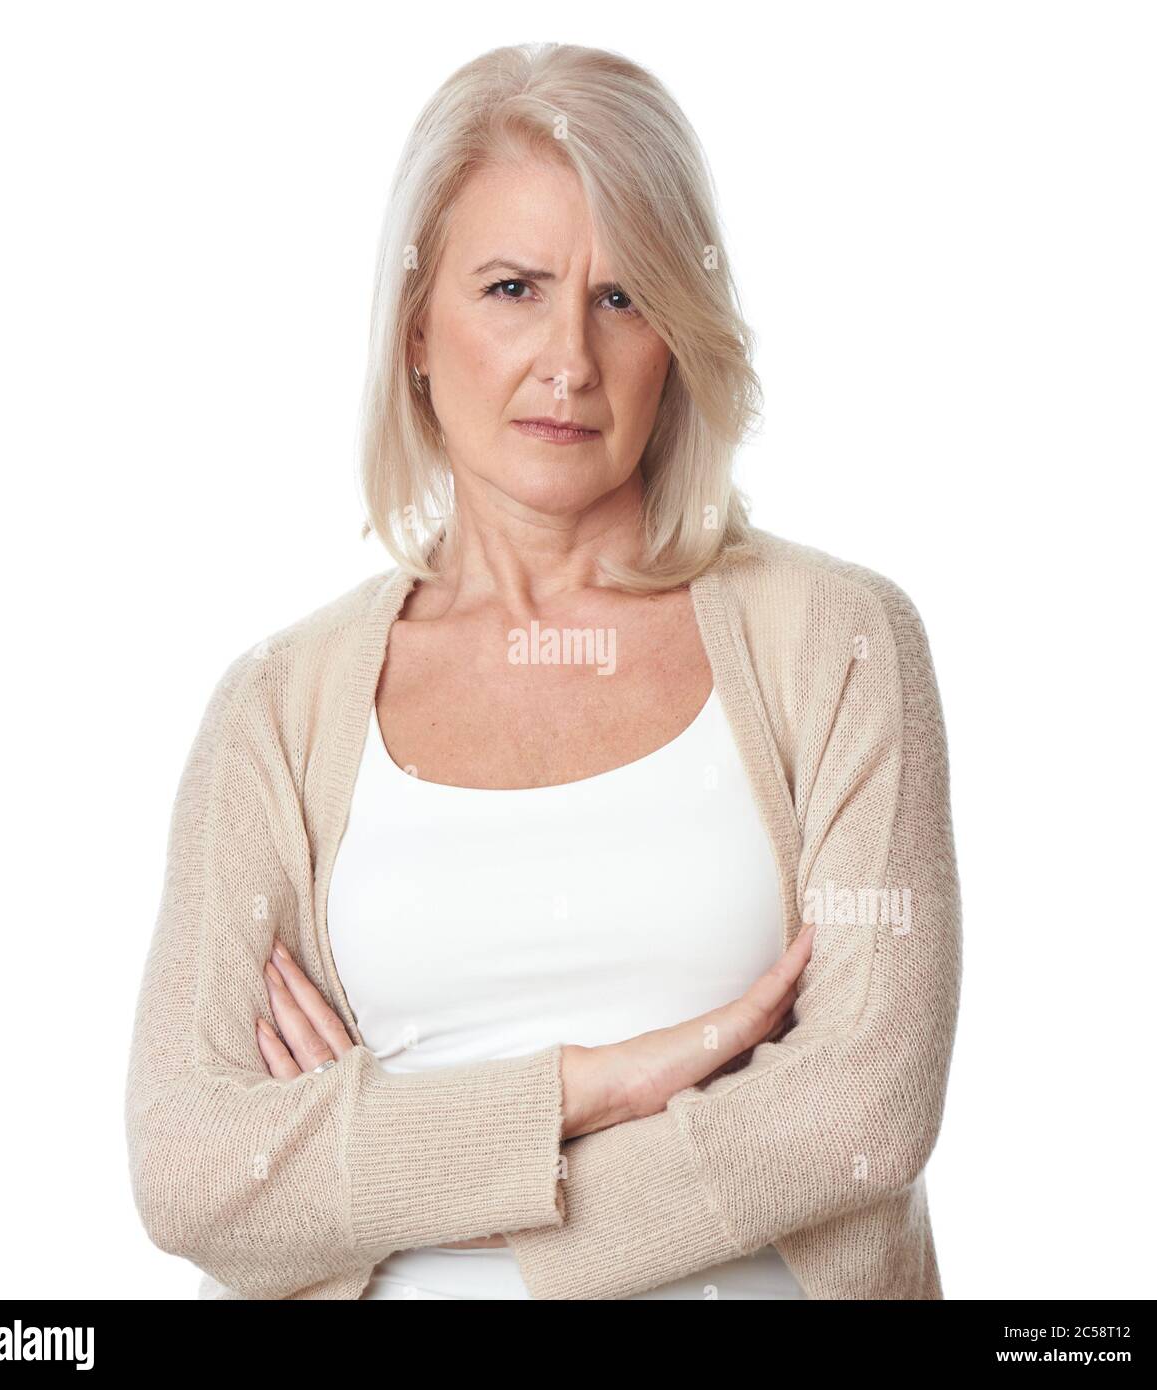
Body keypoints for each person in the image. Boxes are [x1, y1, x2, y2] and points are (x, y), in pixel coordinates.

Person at [126, 41, 961, 1301]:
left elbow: (866, 1107)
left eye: (621, 298)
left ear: (676, 336)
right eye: (512, 287)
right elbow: (192, 1169)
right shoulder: (278, 710)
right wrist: (591, 1088)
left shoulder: (838, 643)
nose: (568, 357)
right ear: (417, 330)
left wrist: (398, 1175)